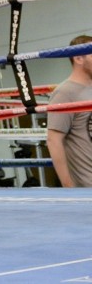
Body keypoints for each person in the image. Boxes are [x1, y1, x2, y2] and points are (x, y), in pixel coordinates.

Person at [46, 35, 92, 187]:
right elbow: (54, 140)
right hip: (87, 187)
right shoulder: (65, 93)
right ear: (78, 58)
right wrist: (68, 187)